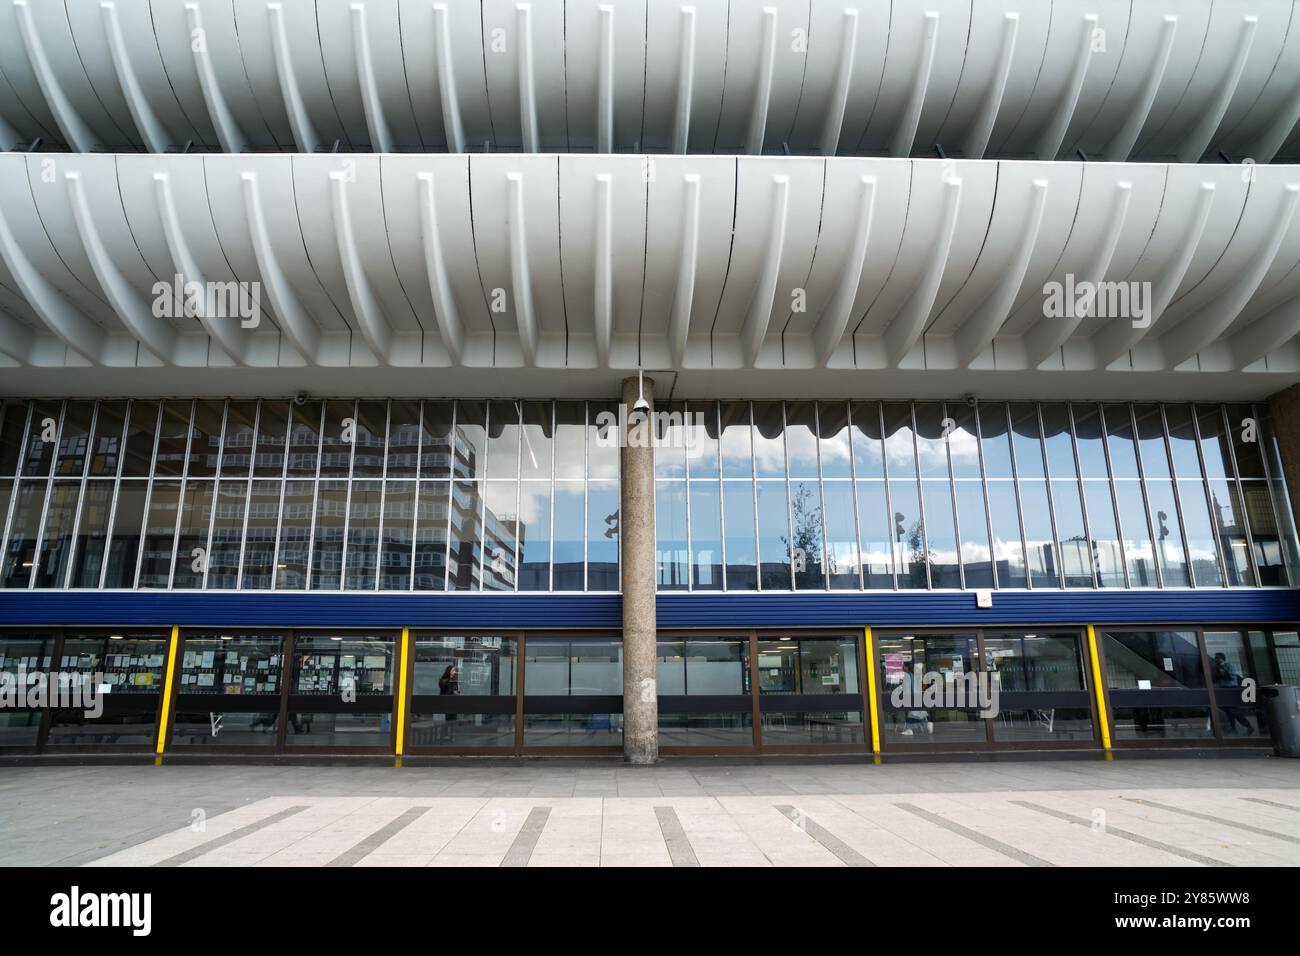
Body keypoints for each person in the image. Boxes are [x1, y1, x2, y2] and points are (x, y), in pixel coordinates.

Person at [1212, 653, 1255, 734]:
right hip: (1223, 689)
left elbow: (1230, 676)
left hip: (1230, 688)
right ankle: (1233, 728)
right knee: (1228, 710)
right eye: (1215, 658)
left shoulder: (1228, 665)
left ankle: (1247, 726)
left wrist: (1221, 673)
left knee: (1233, 710)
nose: (1215, 659)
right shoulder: (1217, 667)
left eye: (1217, 658)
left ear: (1221, 658)